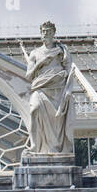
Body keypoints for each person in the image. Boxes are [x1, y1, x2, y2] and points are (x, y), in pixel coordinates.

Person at [21, 21, 74, 156]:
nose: (46, 34)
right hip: (40, 88)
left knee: (57, 122)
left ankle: (54, 148)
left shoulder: (62, 51)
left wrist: (68, 91)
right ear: (41, 34)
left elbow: (69, 71)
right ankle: (34, 145)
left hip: (57, 89)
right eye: (44, 31)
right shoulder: (35, 53)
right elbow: (28, 76)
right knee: (34, 110)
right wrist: (40, 63)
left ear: (54, 33)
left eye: (49, 32)